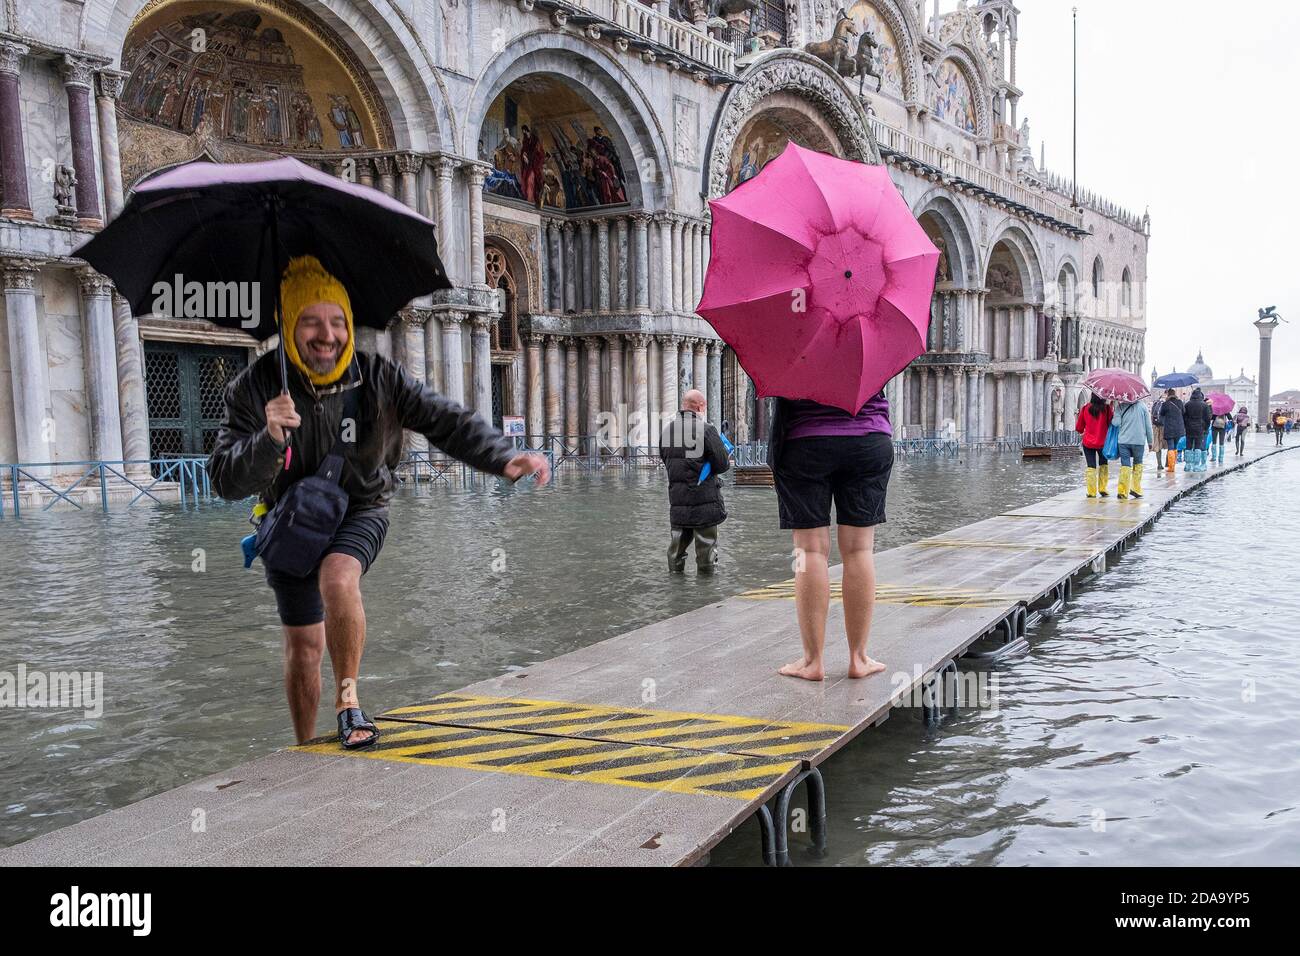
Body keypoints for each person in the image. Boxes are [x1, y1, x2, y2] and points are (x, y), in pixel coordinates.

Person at [209, 256, 550, 749]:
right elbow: (223, 479)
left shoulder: (379, 377)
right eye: (311, 322)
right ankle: (304, 746)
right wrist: (268, 437)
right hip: (287, 521)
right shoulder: (255, 386)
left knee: (338, 576)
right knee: (304, 647)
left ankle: (348, 701)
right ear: (289, 326)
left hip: (361, 506)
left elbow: (445, 420)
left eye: (338, 322)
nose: (327, 335)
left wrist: (505, 458)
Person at [769, 391, 894, 682]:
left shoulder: (795, 344)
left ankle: (813, 662)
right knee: (860, 551)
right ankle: (859, 658)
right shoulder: (869, 343)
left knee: (808, 552)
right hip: (868, 440)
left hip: (805, 442)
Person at [659, 389, 730, 574]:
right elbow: (722, 465)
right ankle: (707, 595)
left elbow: (666, 461)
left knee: (675, 551)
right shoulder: (707, 429)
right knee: (706, 551)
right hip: (704, 502)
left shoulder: (667, 431)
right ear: (700, 406)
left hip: (678, 501)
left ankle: (676, 591)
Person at [1075, 393, 1113, 498]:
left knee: (1091, 466)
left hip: (1088, 442)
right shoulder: (1107, 409)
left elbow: (1079, 427)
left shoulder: (1085, 408)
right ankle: (1103, 488)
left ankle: (1091, 491)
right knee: (1104, 464)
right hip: (1103, 442)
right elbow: (1111, 423)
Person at [1114, 397, 1153, 499]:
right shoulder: (1143, 406)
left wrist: (1117, 412)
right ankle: (1135, 488)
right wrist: (1150, 441)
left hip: (1123, 441)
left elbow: (1115, 423)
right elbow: (1148, 426)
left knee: (1125, 465)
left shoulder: (1120, 406)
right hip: (1138, 441)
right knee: (1138, 464)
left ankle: (1122, 491)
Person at [1182, 388, 1211, 472]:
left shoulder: (1187, 404)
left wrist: (1186, 425)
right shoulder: (1204, 405)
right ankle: (1196, 465)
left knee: (1188, 446)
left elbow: (1184, 417)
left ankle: (1188, 465)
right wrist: (1205, 427)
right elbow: (1208, 418)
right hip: (1199, 428)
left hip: (1189, 428)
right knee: (1198, 446)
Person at [1158, 389, 1185, 472]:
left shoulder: (1165, 404)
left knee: (1170, 446)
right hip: (1179, 428)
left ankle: (1171, 467)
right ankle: (1173, 465)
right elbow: (1184, 412)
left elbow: (1161, 414)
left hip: (1169, 428)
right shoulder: (1180, 402)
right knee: (1175, 447)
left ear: (1168, 395)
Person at [1151, 393, 1165, 471]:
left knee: (1157, 446)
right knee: (1170, 445)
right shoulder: (1166, 403)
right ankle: (1168, 464)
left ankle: (1159, 464)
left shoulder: (1156, 403)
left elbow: (1151, 416)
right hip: (1165, 427)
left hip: (1155, 426)